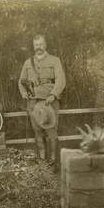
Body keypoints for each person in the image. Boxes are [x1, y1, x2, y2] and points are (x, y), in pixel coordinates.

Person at [18, 34, 66, 162]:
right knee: (37, 130)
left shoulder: (55, 60)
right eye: (36, 45)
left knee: (51, 130)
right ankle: (42, 159)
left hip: (49, 100)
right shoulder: (28, 62)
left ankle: (53, 160)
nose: (39, 47)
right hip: (33, 101)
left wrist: (53, 94)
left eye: (41, 44)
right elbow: (21, 81)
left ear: (45, 45)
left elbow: (61, 80)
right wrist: (24, 94)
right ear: (33, 47)